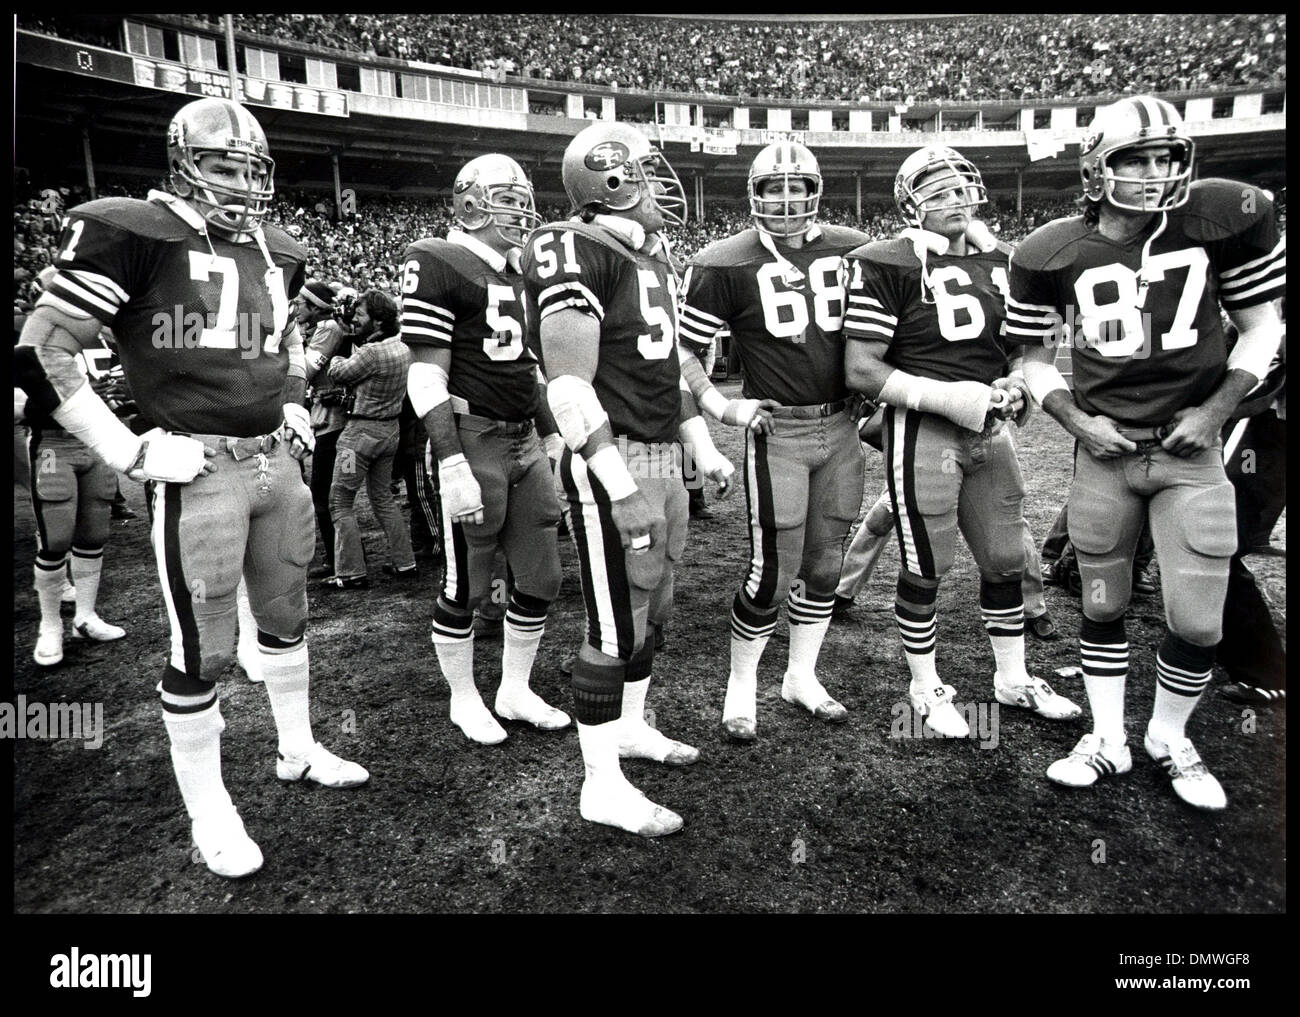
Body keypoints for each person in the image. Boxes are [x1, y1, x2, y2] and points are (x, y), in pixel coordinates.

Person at [15, 97, 368, 879]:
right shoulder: (133, 229)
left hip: (274, 461)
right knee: (202, 648)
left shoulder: (277, 246)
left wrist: (293, 402)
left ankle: (298, 749)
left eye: (252, 168)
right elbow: (42, 348)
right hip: (198, 468)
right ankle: (211, 809)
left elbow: (289, 342)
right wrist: (128, 448)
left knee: (285, 617)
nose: (241, 183)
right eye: (221, 165)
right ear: (182, 163)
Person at [1009, 96, 1285, 809]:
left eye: (1167, 156)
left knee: (1198, 619)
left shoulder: (1225, 217)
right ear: (1097, 167)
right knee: (1102, 603)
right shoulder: (1049, 250)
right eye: (1136, 158)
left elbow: (1261, 329)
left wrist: (1217, 407)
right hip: (1104, 453)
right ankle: (1106, 736)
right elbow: (1032, 357)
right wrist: (1074, 419)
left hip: (1188, 451)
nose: (1156, 171)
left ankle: (1168, 735)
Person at [521, 122, 741, 836]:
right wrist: (617, 486)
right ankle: (600, 785)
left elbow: (664, 370)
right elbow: (570, 390)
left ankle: (631, 726)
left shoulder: (648, 253)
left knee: (654, 604)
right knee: (613, 626)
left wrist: (701, 444)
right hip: (609, 459)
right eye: (644, 171)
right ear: (608, 180)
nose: (661, 185)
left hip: (661, 456)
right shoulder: (574, 245)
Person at [843, 144, 1081, 739]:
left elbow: (1024, 350)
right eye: (939, 191)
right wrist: (960, 398)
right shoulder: (884, 261)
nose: (955, 201)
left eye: (961, 189)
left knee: (1006, 559)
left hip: (992, 434)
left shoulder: (1004, 259)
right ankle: (924, 688)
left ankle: (1012, 678)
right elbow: (863, 370)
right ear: (911, 202)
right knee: (929, 565)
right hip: (924, 431)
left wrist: (1014, 380)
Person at [677, 141, 870, 743]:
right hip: (778, 431)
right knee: (772, 570)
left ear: (816, 190)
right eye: (773, 189)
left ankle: (801, 677)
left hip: (841, 427)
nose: (786, 201)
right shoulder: (721, 261)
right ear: (754, 194)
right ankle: (741, 688)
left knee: (824, 561)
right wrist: (721, 406)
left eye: (797, 187)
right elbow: (683, 352)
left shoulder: (853, 245)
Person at [402, 153, 569, 742]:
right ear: (469, 202)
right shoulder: (437, 259)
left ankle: (515, 689)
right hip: (471, 438)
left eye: (525, 200)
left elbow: (533, 371)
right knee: (466, 583)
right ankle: (464, 696)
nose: (520, 212)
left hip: (523, 438)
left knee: (542, 576)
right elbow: (425, 377)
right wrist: (450, 460)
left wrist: (550, 434)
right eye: (507, 199)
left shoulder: (521, 272)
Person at [15, 334, 128, 666]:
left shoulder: (105, 335)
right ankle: (49, 627)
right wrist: (62, 404)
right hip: (53, 445)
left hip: (96, 443)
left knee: (94, 535)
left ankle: (85, 618)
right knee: (56, 537)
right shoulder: (30, 340)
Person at [323, 288, 416, 588]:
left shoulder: (371, 353)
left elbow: (338, 372)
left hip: (358, 439)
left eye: (361, 316)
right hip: (389, 433)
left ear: (377, 322)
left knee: (340, 501)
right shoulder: (401, 347)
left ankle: (351, 573)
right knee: (384, 499)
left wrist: (343, 341)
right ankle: (405, 562)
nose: (355, 319)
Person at [1217, 315, 1285, 706]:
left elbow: (1266, 383)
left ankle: (1267, 671)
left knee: (1220, 547)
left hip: (1270, 437)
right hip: (1267, 435)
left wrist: (1219, 410)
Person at [299, 279, 352, 579]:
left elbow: (305, 371)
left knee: (324, 494)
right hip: (324, 419)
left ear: (314, 307)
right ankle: (337, 558)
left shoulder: (329, 329)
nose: (295, 308)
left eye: (300, 303)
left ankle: (339, 560)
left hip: (333, 421)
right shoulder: (324, 328)